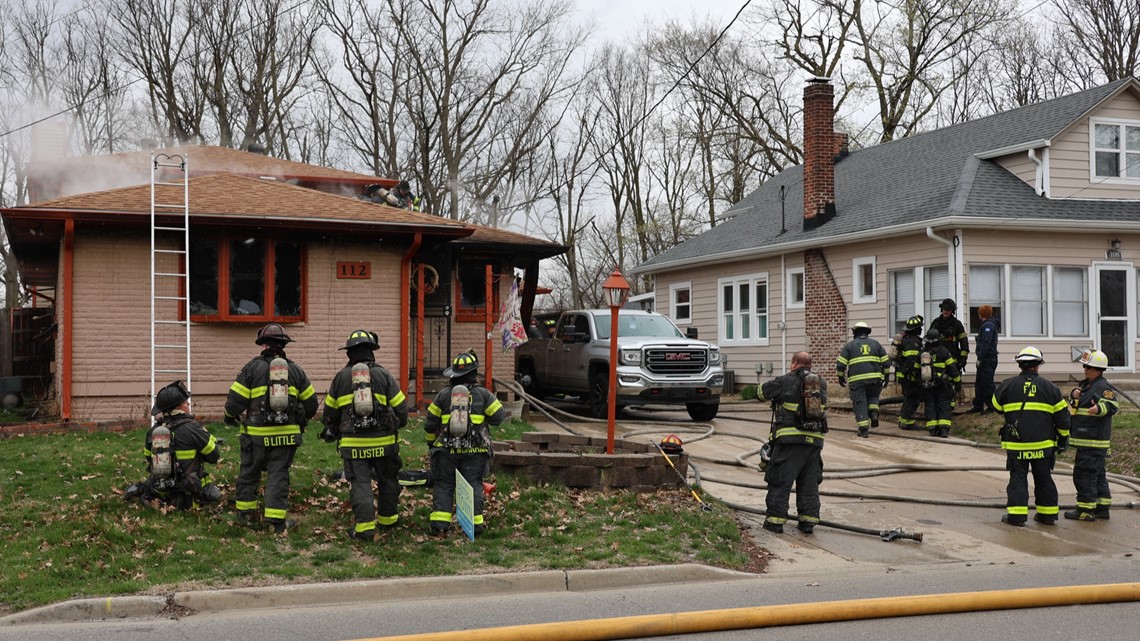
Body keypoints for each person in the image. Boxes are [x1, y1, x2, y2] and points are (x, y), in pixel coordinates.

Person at [224, 323, 319, 533]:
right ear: (284, 345)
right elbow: (312, 404)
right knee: (278, 474)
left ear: (263, 345)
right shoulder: (295, 371)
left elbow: (234, 403)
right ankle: (275, 521)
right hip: (286, 437)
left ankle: (245, 514)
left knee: (249, 471)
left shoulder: (251, 368)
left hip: (255, 437)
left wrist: (229, 416)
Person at [319, 330, 410, 541]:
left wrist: (333, 427)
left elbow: (329, 414)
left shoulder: (341, 377)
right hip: (385, 444)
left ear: (349, 354)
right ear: (372, 352)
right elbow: (402, 411)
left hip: (353, 445)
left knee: (360, 484)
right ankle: (388, 521)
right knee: (388, 480)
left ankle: (365, 529)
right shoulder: (384, 375)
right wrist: (397, 424)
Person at [424, 350, 504, 537]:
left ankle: (439, 526)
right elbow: (498, 418)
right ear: (474, 373)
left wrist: (432, 445)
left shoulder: (443, 395)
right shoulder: (484, 395)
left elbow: (429, 425)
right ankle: (475, 526)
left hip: (446, 451)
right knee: (474, 484)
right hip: (475, 452)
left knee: (444, 485)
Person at [991, 347, 1069, 526]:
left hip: (1017, 445)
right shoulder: (1051, 388)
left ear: (1020, 364)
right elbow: (1063, 418)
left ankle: (1017, 516)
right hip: (1043, 446)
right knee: (1043, 478)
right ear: (1038, 365)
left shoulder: (1007, 385)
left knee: (1018, 478)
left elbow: (995, 405)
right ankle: (1047, 515)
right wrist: (1063, 438)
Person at [758, 351, 827, 535]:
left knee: (780, 481)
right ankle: (807, 523)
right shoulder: (821, 383)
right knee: (809, 484)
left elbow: (761, 392)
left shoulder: (784, 381)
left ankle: (775, 522)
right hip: (815, 443)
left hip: (789, 442)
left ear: (795, 363)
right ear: (810, 365)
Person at [124, 381, 221, 510]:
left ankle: (152, 496)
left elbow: (148, 457)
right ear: (177, 407)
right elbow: (214, 456)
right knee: (213, 495)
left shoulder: (154, 430)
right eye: (185, 402)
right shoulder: (193, 428)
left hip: (161, 490)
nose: (188, 404)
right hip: (189, 491)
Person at [1064, 349, 1118, 521]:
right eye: (1084, 366)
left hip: (1092, 441)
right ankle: (1102, 508)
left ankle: (1085, 510)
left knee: (1084, 475)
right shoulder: (1087, 385)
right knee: (1098, 475)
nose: (1085, 369)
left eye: (1088, 367)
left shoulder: (1102, 387)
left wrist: (1099, 409)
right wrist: (1074, 395)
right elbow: (1076, 407)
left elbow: (1112, 405)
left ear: (1098, 369)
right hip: (1088, 441)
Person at [836, 321, 890, 438]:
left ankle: (864, 430)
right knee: (873, 397)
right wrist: (886, 376)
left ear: (855, 332)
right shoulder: (876, 344)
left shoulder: (850, 346)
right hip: (875, 380)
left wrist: (840, 376)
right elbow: (886, 362)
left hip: (857, 382)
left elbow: (841, 364)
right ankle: (874, 413)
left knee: (860, 403)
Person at [921, 328, 960, 438]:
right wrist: (957, 382)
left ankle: (932, 429)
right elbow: (952, 368)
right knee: (944, 405)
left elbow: (916, 368)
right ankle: (944, 430)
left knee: (930, 405)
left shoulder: (924, 352)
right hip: (943, 384)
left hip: (927, 384)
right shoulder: (944, 351)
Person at [895, 315, 926, 431]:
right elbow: (911, 361)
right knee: (913, 397)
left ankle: (904, 420)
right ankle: (906, 422)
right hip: (909, 376)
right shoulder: (912, 342)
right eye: (920, 328)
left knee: (909, 397)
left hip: (904, 375)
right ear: (916, 330)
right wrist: (913, 375)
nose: (921, 330)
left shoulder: (907, 339)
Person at [971, 305, 1000, 413]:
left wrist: (980, 357)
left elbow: (986, 343)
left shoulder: (988, 325)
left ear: (982, 314)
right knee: (980, 383)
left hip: (988, 359)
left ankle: (992, 406)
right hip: (986, 358)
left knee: (987, 383)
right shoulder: (988, 325)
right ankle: (978, 405)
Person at [930, 298, 969, 371]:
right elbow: (929, 339)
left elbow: (964, 342)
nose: (945, 311)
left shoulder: (957, 324)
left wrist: (963, 358)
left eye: (948, 310)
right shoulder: (936, 323)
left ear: (952, 311)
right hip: (938, 359)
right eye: (944, 309)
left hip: (953, 358)